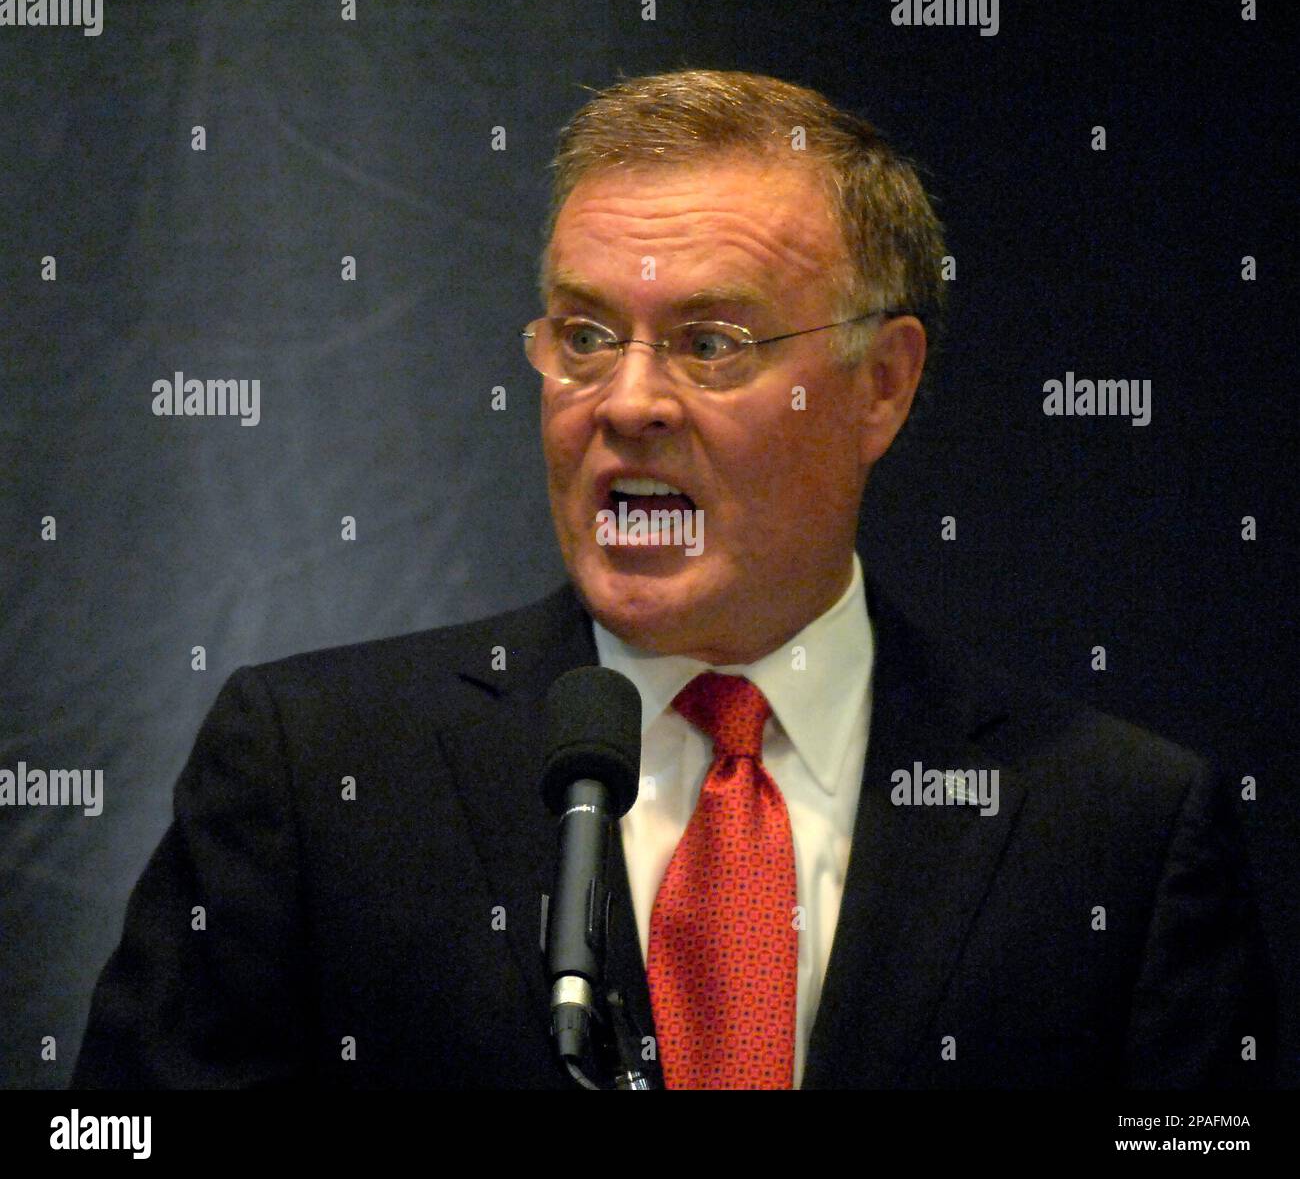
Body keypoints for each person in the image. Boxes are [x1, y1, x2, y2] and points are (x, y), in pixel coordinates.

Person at [72, 69, 1274, 1090]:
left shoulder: (1116, 829)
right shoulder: (310, 770)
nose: (630, 401)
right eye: (586, 335)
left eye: (711, 343)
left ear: (882, 385)